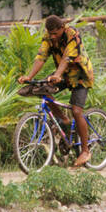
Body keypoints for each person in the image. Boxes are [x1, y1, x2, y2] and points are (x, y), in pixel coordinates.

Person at [19, 14, 95, 167]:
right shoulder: (48, 38)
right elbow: (41, 57)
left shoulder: (72, 34)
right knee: (42, 89)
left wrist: (57, 74)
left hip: (81, 75)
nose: (52, 37)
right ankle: (63, 120)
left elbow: (67, 58)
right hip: (63, 76)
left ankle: (85, 151)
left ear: (62, 28)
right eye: (50, 33)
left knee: (77, 111)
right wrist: (29, 76)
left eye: (55, 33)